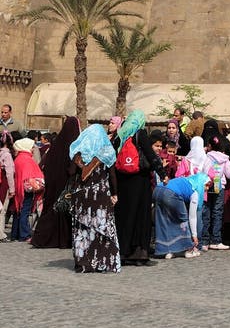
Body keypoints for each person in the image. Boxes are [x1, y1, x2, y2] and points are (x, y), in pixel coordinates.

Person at [114, 109, 166, 266]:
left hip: (123, 181)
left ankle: (123, 251)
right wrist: (162, 173)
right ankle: (139, 254)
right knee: (141, 216)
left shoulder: (120, 134)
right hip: (139, 181)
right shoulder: (140, 133)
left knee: (125, 216)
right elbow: (150, 154)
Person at [69, 123, 121, 273]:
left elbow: (71, 172)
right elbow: (112, 175)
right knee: (103, 227)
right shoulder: (107, 151)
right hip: (101, 196)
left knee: (82, 230)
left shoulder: (80, 151)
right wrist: (115, 193)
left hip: (82, 196)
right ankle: (104, 261)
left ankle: (83, 263)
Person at [31, 116, 80, 249]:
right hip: (66, 185)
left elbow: (47, 165)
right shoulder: (75, 145)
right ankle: (64, 239)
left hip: (54, 184)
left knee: (53, 207)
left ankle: (43, 237)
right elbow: (72, 169)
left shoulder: (56, 146)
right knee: (63, 210)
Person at [153, 171, 209, 259]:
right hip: (171, 194)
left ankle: (167, 250)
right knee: (183, 220)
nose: (207, 188)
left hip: (157, 190)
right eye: (206, 185)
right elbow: (192, 216)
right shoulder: (194, 192)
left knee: (165, 221)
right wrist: (194, 236)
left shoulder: (185, 181)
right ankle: (188, 249)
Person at [201, 133, 230, 250]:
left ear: (210, 145)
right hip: (219, 187)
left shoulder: (207, 157)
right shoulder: (225, 159)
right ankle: (216, 240)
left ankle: (204, 241)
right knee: (217, 213)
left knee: (206, 212)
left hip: (207, 186)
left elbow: (202, 171)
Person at [11, 137, 45, 241]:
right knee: (25, 211)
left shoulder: (18, 158)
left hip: (18, 188)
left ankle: (15, 234)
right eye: (31, 147)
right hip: (26, 190)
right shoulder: (27, 159)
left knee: (18, 211)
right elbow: (30, 175)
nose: (33, 149)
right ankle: (24, 235)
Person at [0, 132, 15, 241]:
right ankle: (1, 234)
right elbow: (9, 173)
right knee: (2, 210)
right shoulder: (7, 155)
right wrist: (12, 189)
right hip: (3, 183)